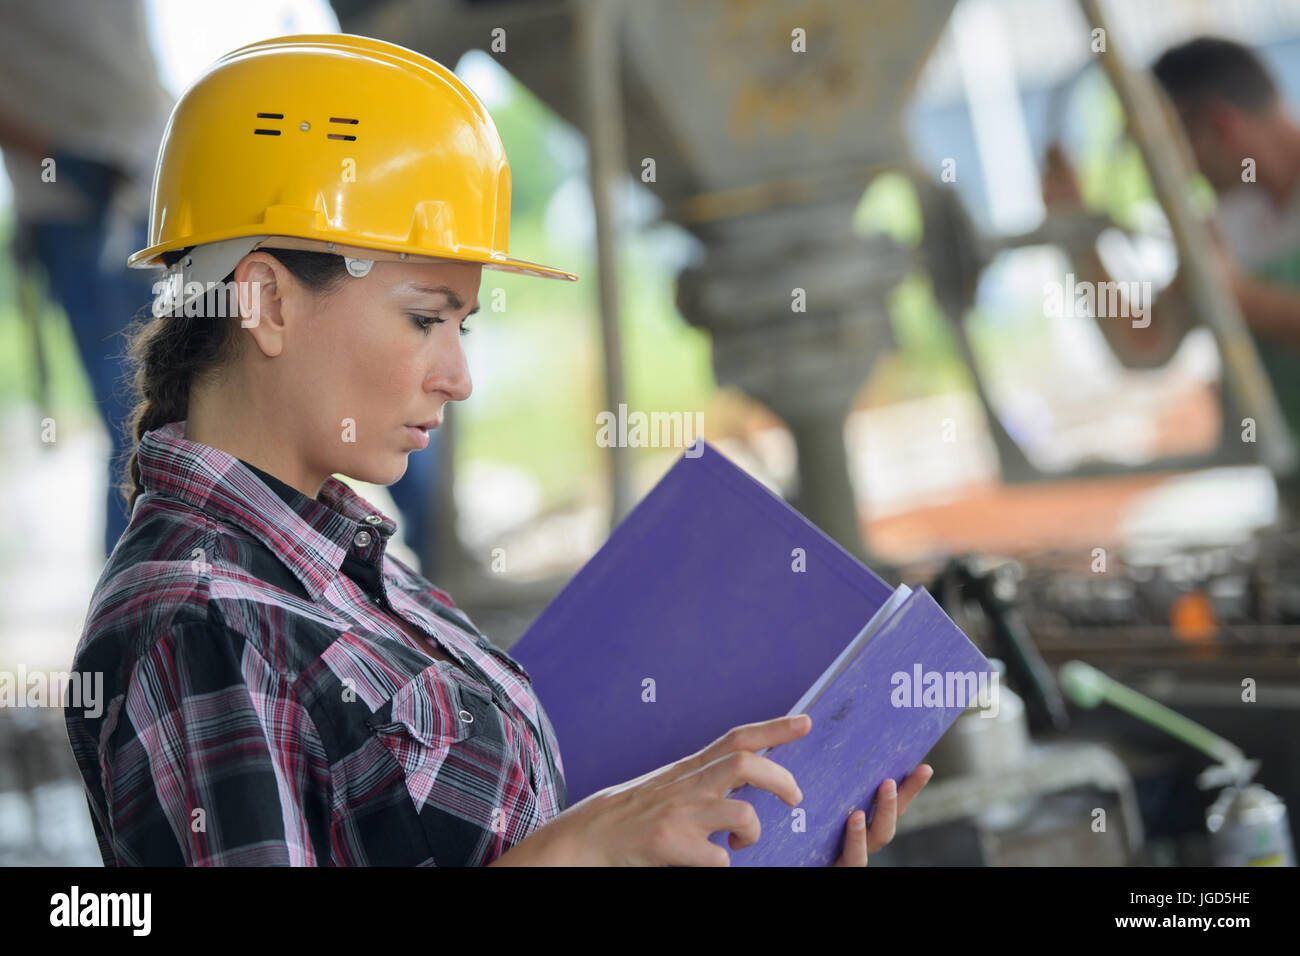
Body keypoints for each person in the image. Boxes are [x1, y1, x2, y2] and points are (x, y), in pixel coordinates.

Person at [63, 33, 930, 866]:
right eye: (425, 319)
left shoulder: (346, 563)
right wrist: (582, 848)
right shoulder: (195, 623)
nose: (459, 377)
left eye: (463, 325)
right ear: (267, 302)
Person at [1042, 35, 1300, 509]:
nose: (1176, 171)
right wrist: (1077, 235)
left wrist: (1237, 298)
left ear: (1221, 126)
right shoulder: (1228, 221)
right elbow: (1144, 345)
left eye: (1171, 146)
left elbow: (1228, 296)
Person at [0, 0, 172, 560]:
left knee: (184, 408)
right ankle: (129, 620)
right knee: (135, 419)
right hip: (72, 201)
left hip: (155, 172)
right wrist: (57, 155)